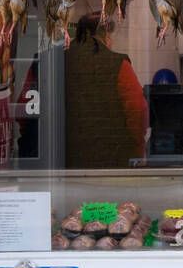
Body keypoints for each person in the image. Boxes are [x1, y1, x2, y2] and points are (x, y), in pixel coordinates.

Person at [63, 14, 149, 168]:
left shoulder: (53, 60)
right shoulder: (118, 64)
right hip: (111, 164)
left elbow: (28, 107)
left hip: (63, 162)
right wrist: (138, 150)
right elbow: (138, 109)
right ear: (106, 36)